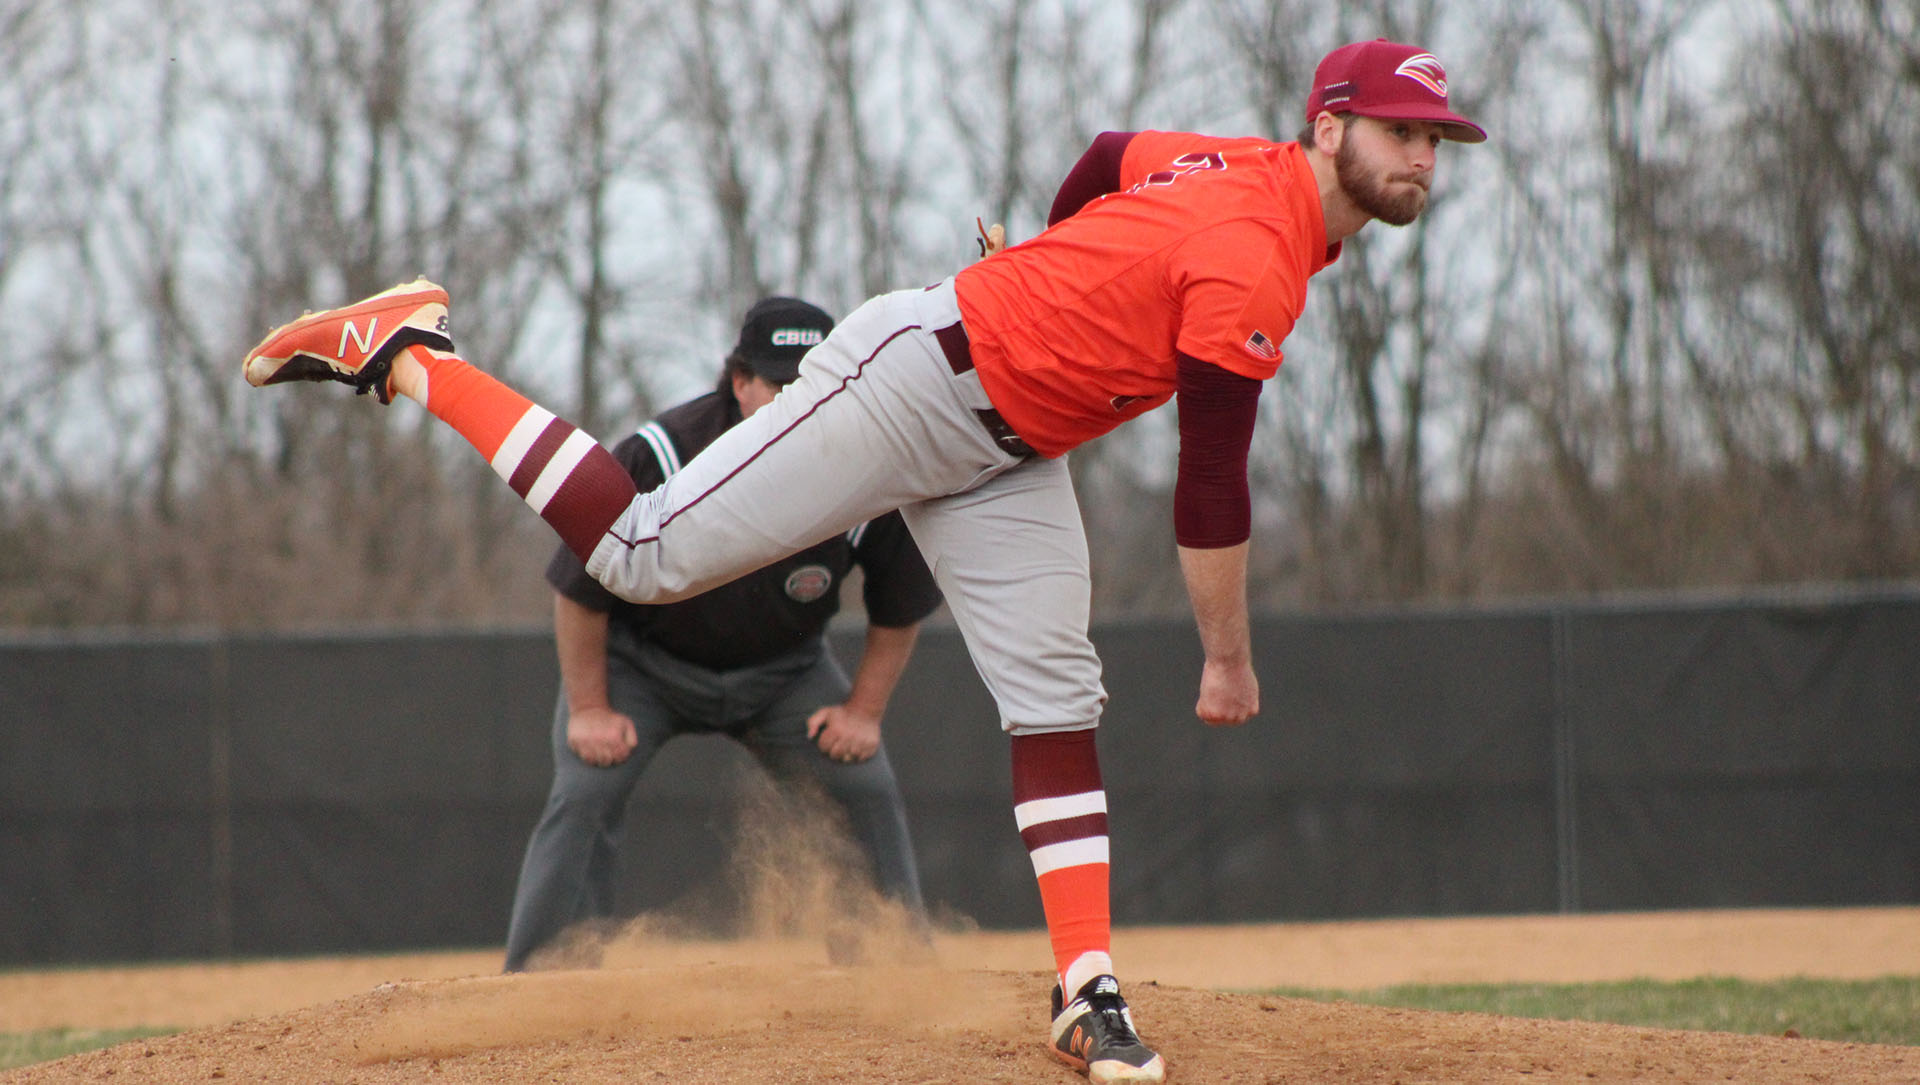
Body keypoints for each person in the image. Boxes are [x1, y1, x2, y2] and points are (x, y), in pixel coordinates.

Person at [242, 37, 1483, 1084]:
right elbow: (1213, 478)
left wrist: (1055, 254)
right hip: (915, 383)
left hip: (1011, 443)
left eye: (1437, 141)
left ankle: (1089, 988)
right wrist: (1225, 656)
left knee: (1057, 692)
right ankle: (411, 352)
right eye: (1400, 132)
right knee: (636, 550)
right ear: (1330, 129)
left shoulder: (1240, 168)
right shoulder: (1257, 250)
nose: (1423, 158)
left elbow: (1109, 158)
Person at [501, 296, 942, 972]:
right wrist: (590, 708)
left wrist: (864, 711)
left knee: (865, 787)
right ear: (740, 382)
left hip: (784, 672)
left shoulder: (869, 468)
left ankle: (892, 971)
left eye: (817, 382)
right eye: (780, 384)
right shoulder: (659, 454)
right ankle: (541, 979)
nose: (801, 401)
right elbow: (578, 592)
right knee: (585, 791)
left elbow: (901, 603)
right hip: (644, 664)